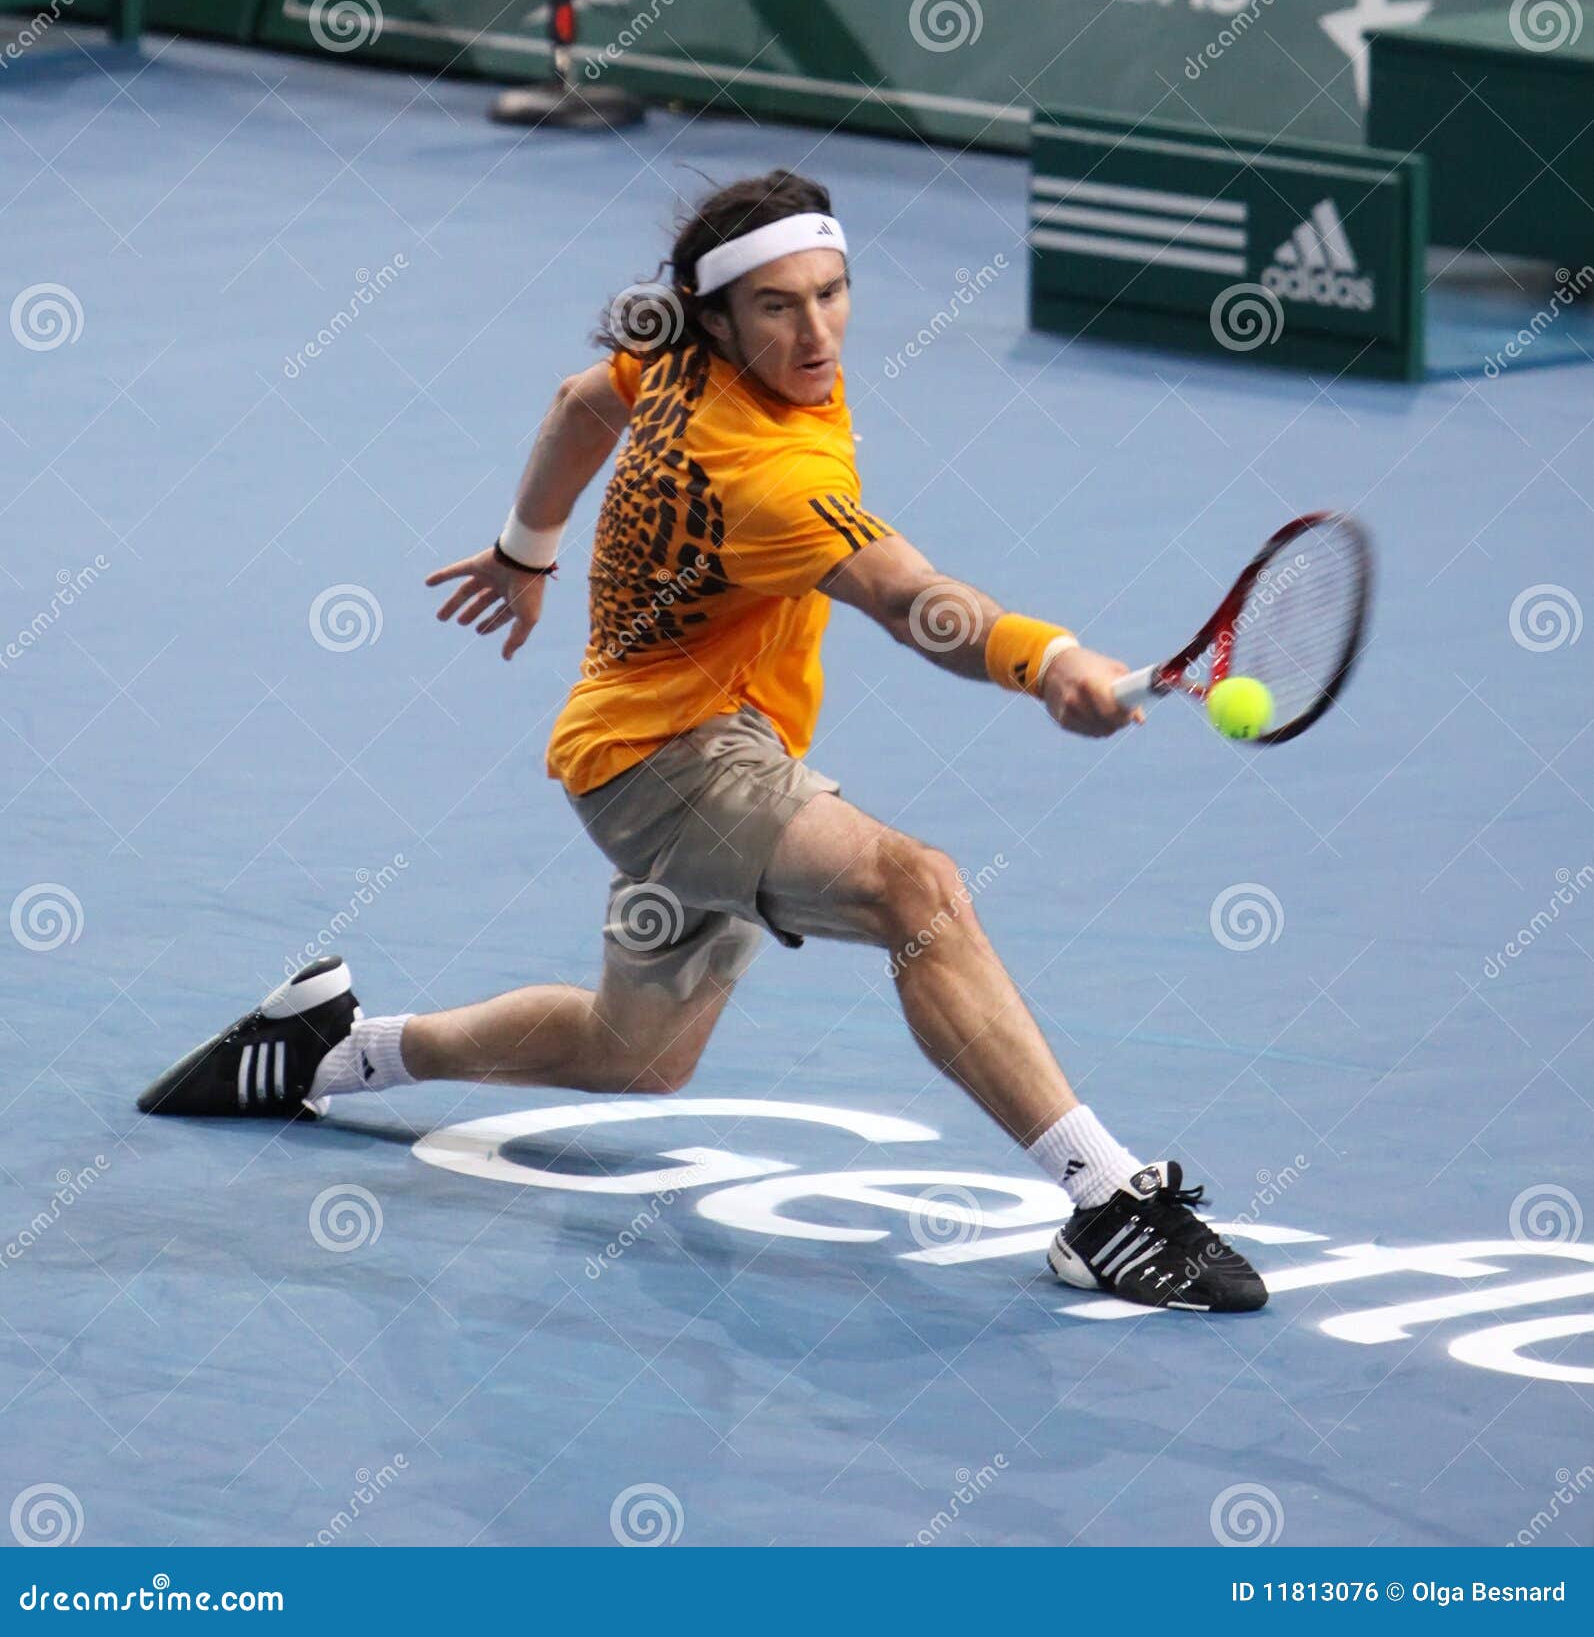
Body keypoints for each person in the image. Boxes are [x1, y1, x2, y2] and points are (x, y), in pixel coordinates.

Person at [139, 169, 1265, 1313]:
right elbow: (910, 596)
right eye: (780, 306)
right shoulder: (773, 476)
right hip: (673, 763)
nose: (817, 329)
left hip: (660, 748)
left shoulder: (677, 349)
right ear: (722, 314)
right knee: (911, 891)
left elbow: (581, 404)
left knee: (636, 1056)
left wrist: (526, 549)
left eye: (832, 293)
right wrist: (1046, 659)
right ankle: (1109, 1204)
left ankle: (325, 1049)